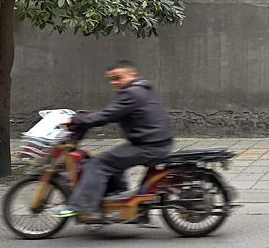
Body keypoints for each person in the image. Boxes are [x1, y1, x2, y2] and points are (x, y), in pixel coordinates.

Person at [49, 60, 175, 219]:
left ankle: (80, 205)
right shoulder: (140, 90)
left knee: (98, 163)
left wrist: (76, 121)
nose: (114, 82)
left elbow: (107, 115)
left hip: (150, 146)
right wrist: (84, 116)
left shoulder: (132, 93)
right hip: (154, 142)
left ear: (132, 75)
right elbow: (111, 111)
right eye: (111, 79)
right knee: (113, 158)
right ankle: (118, 194)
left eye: (118, 78)